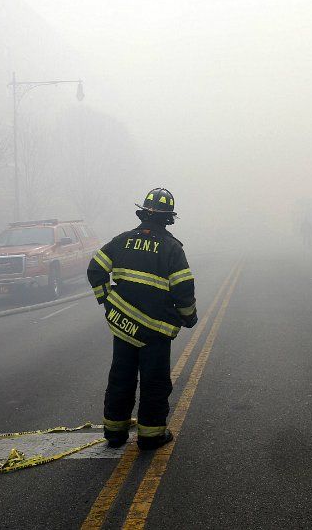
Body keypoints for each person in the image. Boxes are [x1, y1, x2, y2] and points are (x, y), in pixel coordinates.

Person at [86, 187, 198, 450]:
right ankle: (150, 436)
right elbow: (183, 289)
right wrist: (188, 317)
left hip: (124, 327)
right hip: (155, 332)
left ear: (143, 213)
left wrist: (107, 301)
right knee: (154, 382)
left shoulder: (121, 241)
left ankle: (114, 433)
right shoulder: (172, 248)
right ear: (169, 217)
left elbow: (95, 269)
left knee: (120, 378)